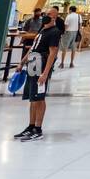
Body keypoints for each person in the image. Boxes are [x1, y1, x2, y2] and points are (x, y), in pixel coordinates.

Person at [14, 10, 61, 141]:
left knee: (39, 98)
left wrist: (45, 73)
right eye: (46, 13)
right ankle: (31, 126)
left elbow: (53, 53)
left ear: (55, 17)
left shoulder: (54, 32)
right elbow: (33, 47)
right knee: (32, 98)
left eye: (50, 14)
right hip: (33, 64)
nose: (46, 16)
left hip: (41, 66)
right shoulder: (42, 30)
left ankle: (38, 129)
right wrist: (22, 62)